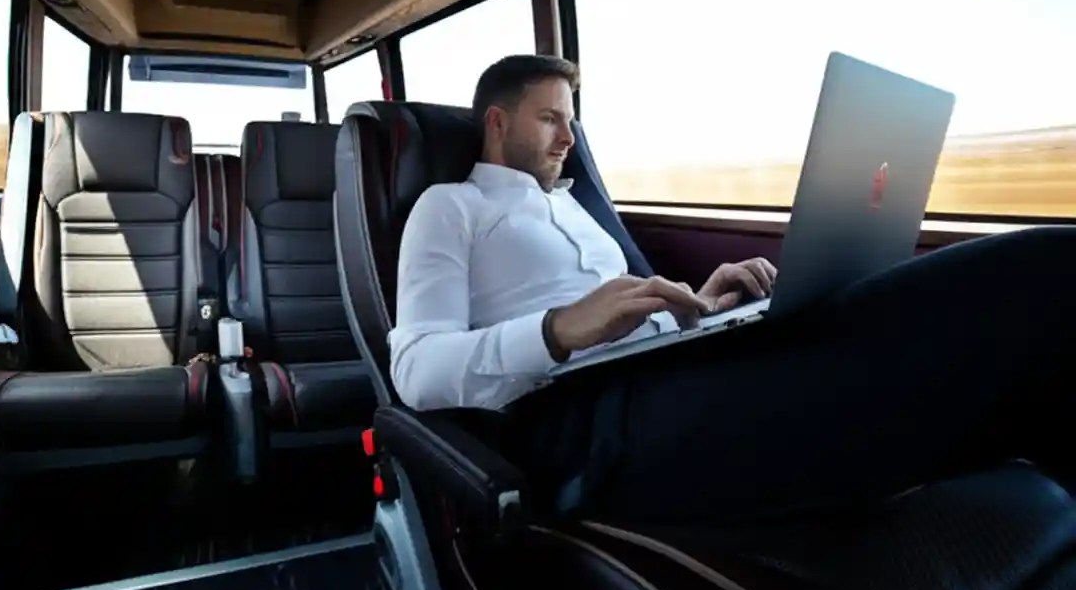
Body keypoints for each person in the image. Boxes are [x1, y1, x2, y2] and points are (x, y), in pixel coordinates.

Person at [389, 53, 1075, 525]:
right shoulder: (448, 208)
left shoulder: (576, 208)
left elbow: (625, 321)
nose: (571, 137)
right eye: (550, 119)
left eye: (574, 120)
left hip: (673, 368)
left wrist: (702, 307)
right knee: (1044, 276)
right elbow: (415, 371)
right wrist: (558, 330)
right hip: (580, 422)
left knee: (923, 307)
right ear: (498, 122)